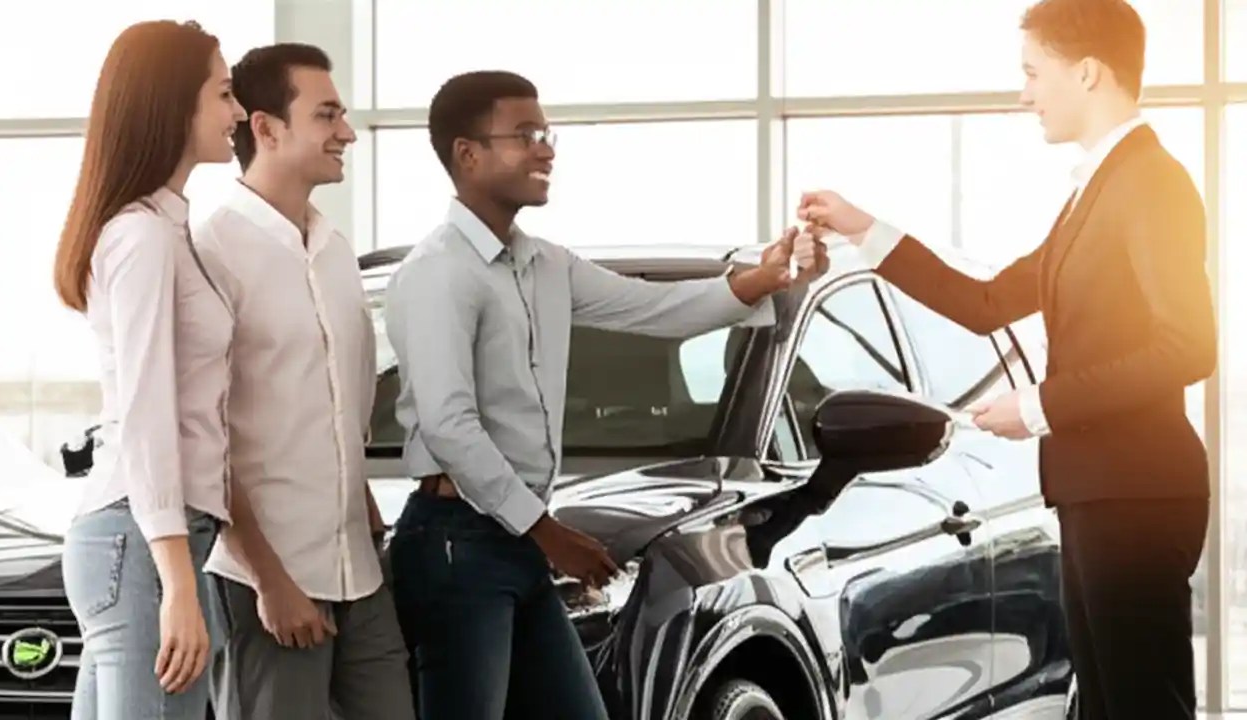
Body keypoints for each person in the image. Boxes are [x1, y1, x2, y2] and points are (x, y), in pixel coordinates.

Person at [797, 1, 1216, 718]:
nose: (1025, 95)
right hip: (1100, 491)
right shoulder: (1098, 189)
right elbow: (986, 301)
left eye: (1033, 73)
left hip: (1136, 495)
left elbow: (1189, 344)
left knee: (1142, 705)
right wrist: (861, 227)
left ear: (1087, 73)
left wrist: (1038, 405)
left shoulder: (1151, 182)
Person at [384, 69, 829, 720]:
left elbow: (655, 309)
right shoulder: (438, 272)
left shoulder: (545, 263)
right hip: (458, 543)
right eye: (525, 135)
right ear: (468, 154)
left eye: (547, 134)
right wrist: (548, 533)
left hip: (515, 539)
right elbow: (450, 428)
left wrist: (764, 277)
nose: (545, 150)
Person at [192, 43, 414, 720]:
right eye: (327, 115)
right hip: (268, 578)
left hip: (357, 566)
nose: (347, 132)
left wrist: (365, 510)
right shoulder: (212, 250)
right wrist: (268, 579)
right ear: (265, 128)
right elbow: (202, 436)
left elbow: (339, 403)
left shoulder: (335, 249)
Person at [53, 19, 246, 720]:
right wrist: (178, 582)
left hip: (143, 541)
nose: (238, 112)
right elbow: (146, 415)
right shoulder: (142, 237)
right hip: (142, 545)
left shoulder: (167, 229)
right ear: (173, 106)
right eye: (223, 94)